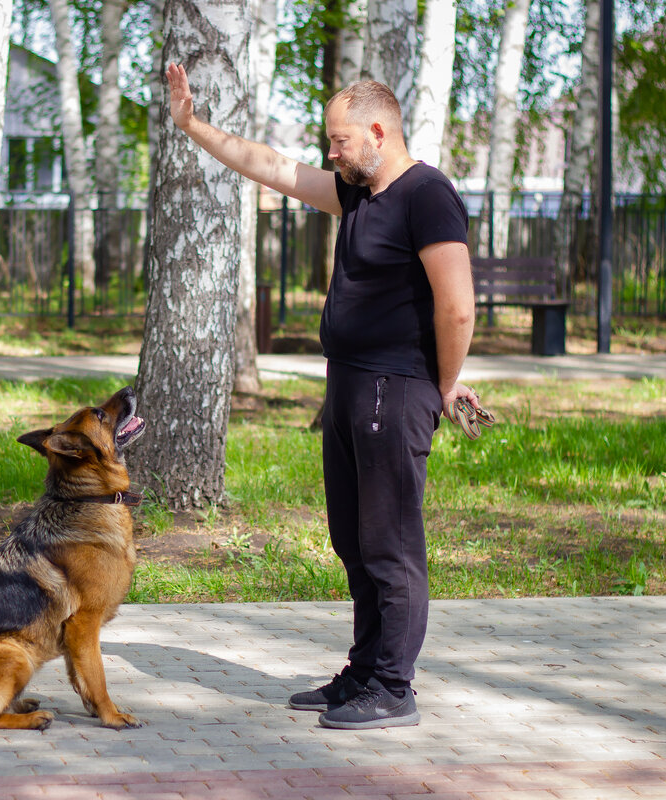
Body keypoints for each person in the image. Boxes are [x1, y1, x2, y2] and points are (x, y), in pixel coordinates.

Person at [165, 63, 479, 730]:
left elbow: (457, 307)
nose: (330, 153)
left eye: (339, 141)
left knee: (390, 543)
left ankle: (394, 686)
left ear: (377, 130)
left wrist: (445, 385)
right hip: (349, 385)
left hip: (394, 389)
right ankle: (364, 671)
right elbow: (273, 168)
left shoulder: (428, 195)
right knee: (354, 539)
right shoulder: (361, 193)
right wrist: (191, 125)